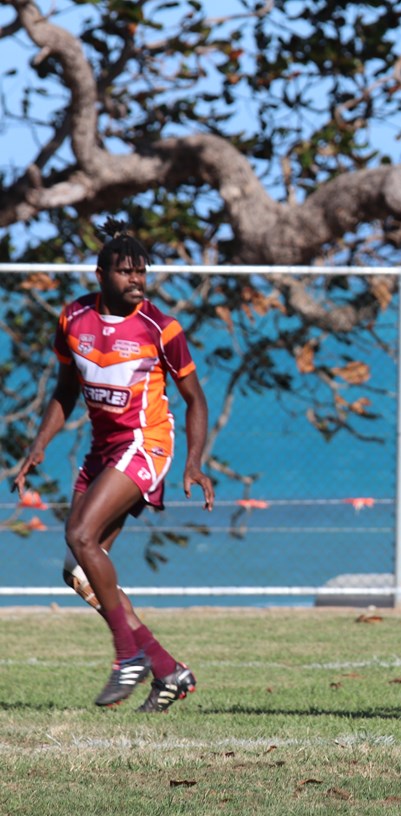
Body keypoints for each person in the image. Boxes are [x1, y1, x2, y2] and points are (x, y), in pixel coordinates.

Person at [12, 219, 214, 712]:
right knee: (78, 572)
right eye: (125, 272)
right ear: (100, 273)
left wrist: (194, 464)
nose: (136, 281)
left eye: (141, 272)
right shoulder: (73, 318)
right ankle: (167, 670)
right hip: (104, 450)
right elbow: (65, 389)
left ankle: (128, 656)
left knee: (80, 535)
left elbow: (195, 399)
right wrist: (38, 445)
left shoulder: (160, 327)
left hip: (147, 443)